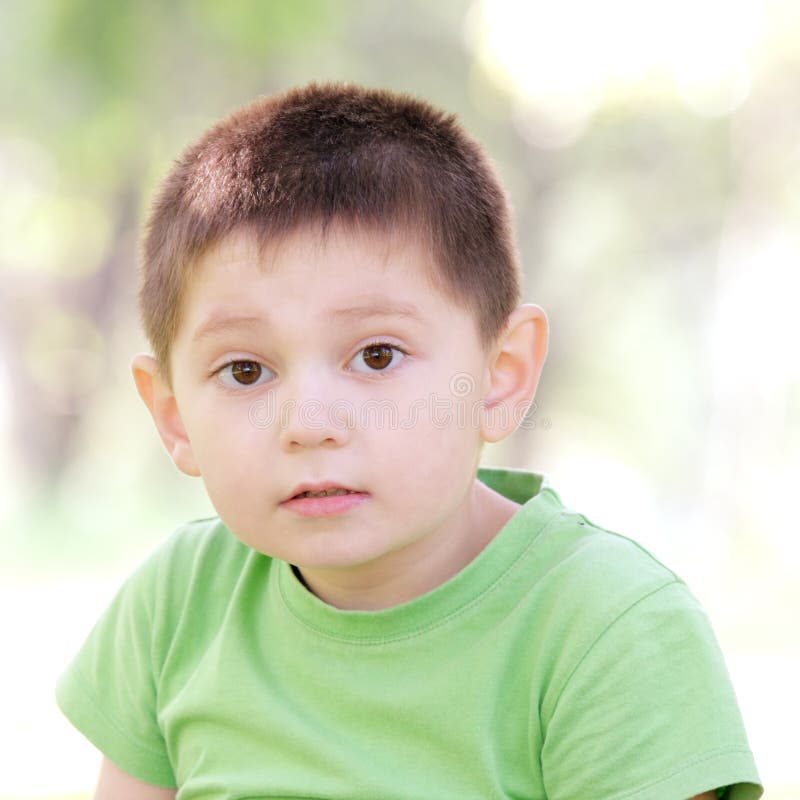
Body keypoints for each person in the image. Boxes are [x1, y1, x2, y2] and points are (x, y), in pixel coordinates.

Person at [56, 83, 762, 800]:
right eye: (245, 370)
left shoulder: (606, 631)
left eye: (377, 356)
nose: (310, 424)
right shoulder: (181, 604)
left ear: (499, 376)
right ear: (175, 418)